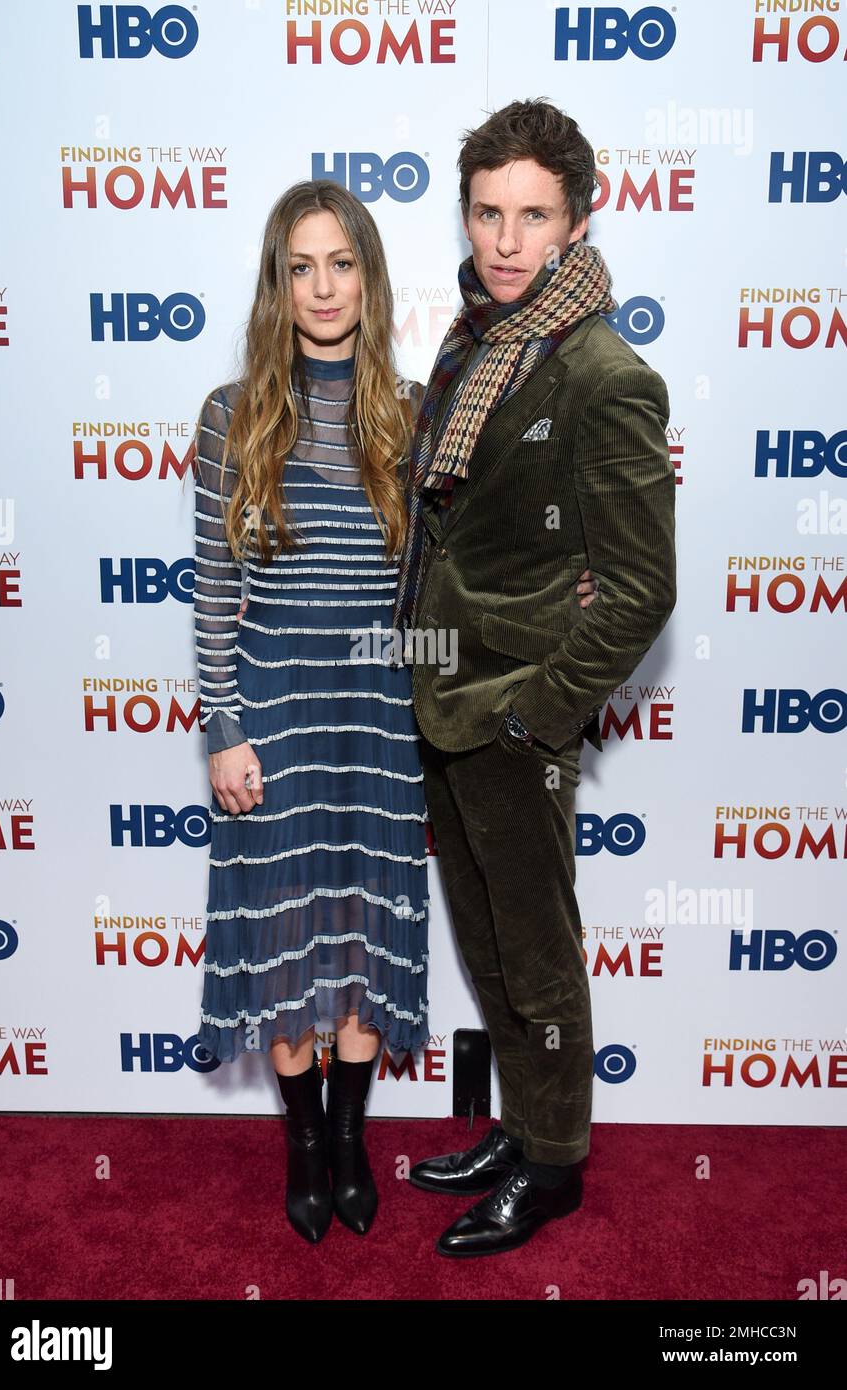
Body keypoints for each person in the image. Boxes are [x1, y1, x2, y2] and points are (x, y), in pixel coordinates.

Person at [190, 178, 601, 1246]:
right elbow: (214, 591)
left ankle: (352, 1140)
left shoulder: (415, 412)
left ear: (369, 280)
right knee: (287, 945)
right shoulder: (231, 416)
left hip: (382, 719)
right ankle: (304, 1147)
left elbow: (465, 568)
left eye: (342, 264)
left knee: (366, 939)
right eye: (301, 267)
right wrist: (222, 729)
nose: (323, 287)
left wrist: (569, 587)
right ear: (278, 286)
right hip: (273, 717)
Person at [392, 99, 678, 1258]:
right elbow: (447, 528)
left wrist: (535, 712)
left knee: (539, 953)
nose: (505, 239)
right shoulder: (471, 343)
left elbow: (641, 586)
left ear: (574, 221)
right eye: (486, 213)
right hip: (442, 697)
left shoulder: (604, 374)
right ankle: (521, 1125)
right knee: (491, 945)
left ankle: (554, 1167)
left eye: (531, 216)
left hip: (512, 711)